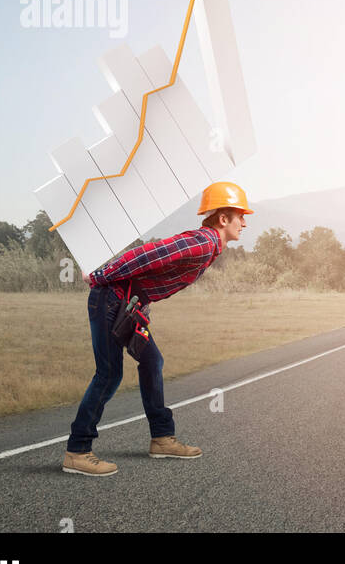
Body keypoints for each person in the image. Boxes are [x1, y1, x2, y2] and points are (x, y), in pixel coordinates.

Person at [61, 181, 253, 476]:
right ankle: (77, 451)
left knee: (152, 361)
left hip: (126, 304)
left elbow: (152, 277)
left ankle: (162, 439)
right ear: (223, 218)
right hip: (110, 298)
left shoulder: (210, 247)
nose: (245, 222)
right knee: (109, 374)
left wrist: (140, 309)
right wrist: (101, 276)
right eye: (241, 215)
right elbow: (148, 255)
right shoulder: (203, 242)